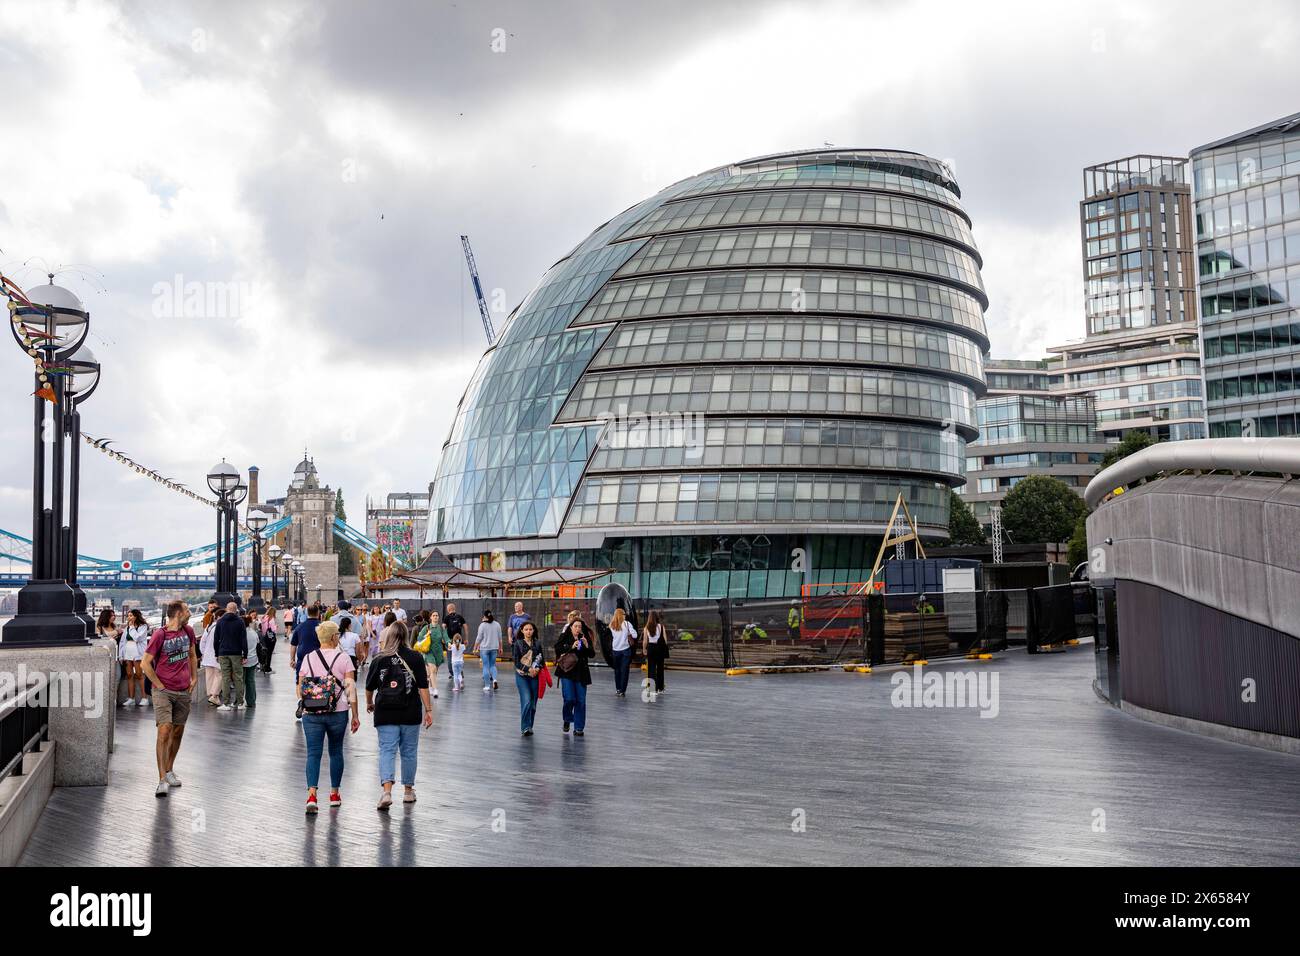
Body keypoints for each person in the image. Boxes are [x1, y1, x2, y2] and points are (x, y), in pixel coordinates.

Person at [365, 620, 432, 810]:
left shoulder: (379, 659)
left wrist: (369, 703)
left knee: (387, 750)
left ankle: (386, 792)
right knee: (409, 751)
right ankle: (408, 792)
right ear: (405, 636)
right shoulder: (416, 657)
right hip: (410, 712)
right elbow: (423, 687)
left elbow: (369, 687)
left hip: (385, 712)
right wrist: (428, 710)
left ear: (389, 637)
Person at [296, 620, 360, 813]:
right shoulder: (344, 658)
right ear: (334, 637)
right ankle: (334, 794)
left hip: (312, 712)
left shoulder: (307, 658)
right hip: (338, 712)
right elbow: (351, 688)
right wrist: (355, 715)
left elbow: (300, 689)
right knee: (335, 752)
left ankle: (312, 796)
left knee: (313, 754)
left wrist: (314, 697)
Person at [141, 601, 198, 797]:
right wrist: (158, 685)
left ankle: (169, 769)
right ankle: (161, 780)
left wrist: (194, 677)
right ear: (178, 614)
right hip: (163, 691)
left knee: (178, 732)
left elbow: (192, 654)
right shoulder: (160, 635)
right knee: (164, 731)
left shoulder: (189, 631)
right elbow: (145, 664)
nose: (190, 613)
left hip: (183, 690)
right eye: (187, 610)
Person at [554, 617, 594, 735]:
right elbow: (557, 649)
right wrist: (571, 646)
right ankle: (567, 719)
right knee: (569, 698)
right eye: (575, 626)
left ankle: (579, 728)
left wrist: (587, 646)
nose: (578, 629)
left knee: (581, 701)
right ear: (571, 627)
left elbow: (591, 654)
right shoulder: (565, 636)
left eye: (580, 627)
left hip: (581, 673)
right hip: (567, 672)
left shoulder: (584, 638)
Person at [214, 601, 247, 711]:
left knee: (225, 678)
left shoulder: (220, 621)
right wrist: (245, 654)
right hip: (237, 653)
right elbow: (243, 639)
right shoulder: (240, 621)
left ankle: (226, 703)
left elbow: (216, 639)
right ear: (236, 609)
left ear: (227, 609)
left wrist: (216, 653)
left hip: (223, 653)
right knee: (238, 677)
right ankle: (240, 702)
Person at [512, 620, 543, 736]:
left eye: (530, 629)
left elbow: (541, 659)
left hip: (535, 675)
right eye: (526, 629)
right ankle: (525, 727)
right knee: (527, 700)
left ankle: (529, 726)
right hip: (522, 676)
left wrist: (538, 669)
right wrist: (528, 669)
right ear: (522, 631)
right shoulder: (518, 644)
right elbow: (516, 662)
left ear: (533, 631)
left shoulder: (537, 643)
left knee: (533, 703)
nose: (528, 631)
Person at [120, 609, 150, 707]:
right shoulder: (127, 628)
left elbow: (137, 638)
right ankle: (131, 698)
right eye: (128, 616)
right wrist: (121, 655)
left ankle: (144, 698)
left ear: (136, 616)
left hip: (137, 653)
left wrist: (132, 627)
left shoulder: (143, 627)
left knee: (139, 675)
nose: (129, 617)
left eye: (131, 615)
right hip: (128, 653)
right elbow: (122, 642)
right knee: (129, 675)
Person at [417, 611, 449, 699]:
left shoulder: (441, 628)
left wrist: (449, 643)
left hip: (438, 652)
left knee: (434, 671)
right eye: (434, 615)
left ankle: (431, 687)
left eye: (437, 615)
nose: (435, 617)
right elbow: (419, 638)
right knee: (433, 669)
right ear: (430, 617)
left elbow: (446, 637)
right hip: (428, 652)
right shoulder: (426, 627)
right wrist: (426, 635)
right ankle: (435, 690)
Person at [609, 607, 636, 698]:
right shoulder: (627, 624)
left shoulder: (611, 625)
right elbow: (635, 636)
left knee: (617, 671)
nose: (625, 616)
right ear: (622, 615)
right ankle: (622, 691)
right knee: (625, 671)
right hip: (625, 650)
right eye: (624, 614)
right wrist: (628, 633)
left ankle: (618, 689)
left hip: (615, 650)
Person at [289, 602, 322, 675]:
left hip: (302, 659)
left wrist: (292, 660)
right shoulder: (322, 626)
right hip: (319, 659)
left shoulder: (299, 627)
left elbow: (293, 645)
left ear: (307, 613)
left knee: (300, 683)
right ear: (318, 613)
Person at [473, 609, 501, 693]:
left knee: (485, 666)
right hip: (494, 648)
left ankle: (487, 685)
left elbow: (479, 638)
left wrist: (475, 648)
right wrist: (501, 647)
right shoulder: (497, 624)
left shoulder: (482, 625)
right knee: (492, 665)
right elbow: (500, 638)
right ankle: (495, 680)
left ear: (485, 617)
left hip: (484, 649)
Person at [642, 610, 668, 697]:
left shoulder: (646, 627)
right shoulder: (661, 626)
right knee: (660, 669)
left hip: (651, 648)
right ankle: (661, 688)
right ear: (657, 617)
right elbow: (665, 640)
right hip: (660, 648)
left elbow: (645, 640)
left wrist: (644, 649)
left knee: (651, 669)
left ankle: (653, 689)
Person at [199, 611, 221, 705]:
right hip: (217, 656)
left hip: (207, 656)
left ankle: (211, 696)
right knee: (219, 675)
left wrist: (204, 652)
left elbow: (202, 641)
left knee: (209, 677)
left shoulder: (209, 626)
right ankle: (214, 695)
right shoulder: (220, 627)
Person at [242, 612, 260, 708]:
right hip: (253, 659)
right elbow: (257, 644)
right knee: (251, 681)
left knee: (240, 681)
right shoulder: (254, 633)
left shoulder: (241, 634)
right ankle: (251, 701)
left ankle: (239, 701)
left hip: (243, 660)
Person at [258, 608, 278, 673]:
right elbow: (273, 629)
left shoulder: (264, 618)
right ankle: (267, 668)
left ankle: (264, 666)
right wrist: (276, 626)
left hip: (265, 637)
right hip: (271, 638)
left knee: (266, 652)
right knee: (269, 653)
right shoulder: (272, 619)